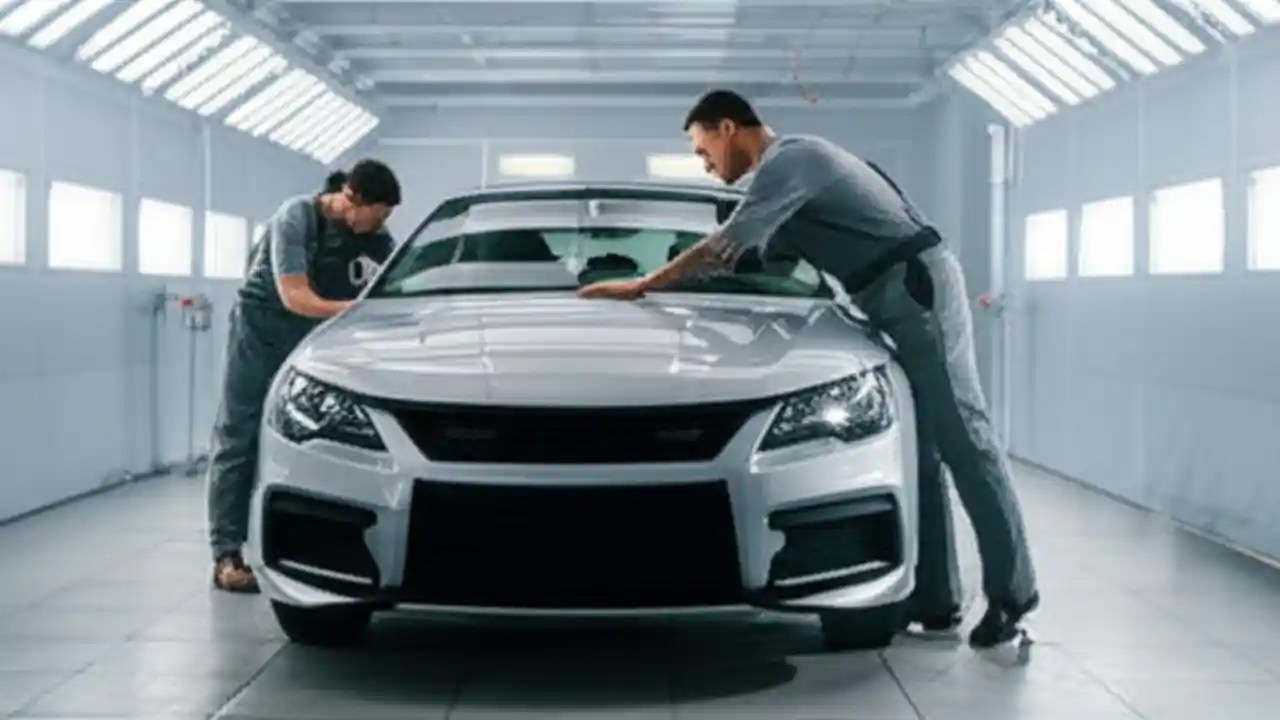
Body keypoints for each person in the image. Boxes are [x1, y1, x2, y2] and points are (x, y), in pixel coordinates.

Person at [576, 89, 1039, 651]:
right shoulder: (783, 188)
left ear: (728, 129)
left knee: (964, 436)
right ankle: (934, 601)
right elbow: (751, 266)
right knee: (922, 450)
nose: (706, 166)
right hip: (882, 297)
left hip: (916, 289)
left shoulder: (792, 160)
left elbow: (723, 249)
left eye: (703, 151)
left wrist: (641, 285)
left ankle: (1014, 596)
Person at [207, 159, 401, 593]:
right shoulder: (296, 217)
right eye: (378, 215)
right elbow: (295, 296)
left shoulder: (376, 237)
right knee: (239, 434)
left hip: (317, 336)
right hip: (261, 332)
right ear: (351, 199)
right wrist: (359, 310)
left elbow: (393, 280)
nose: (381, 224)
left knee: (322, 435)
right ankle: (226, 555)